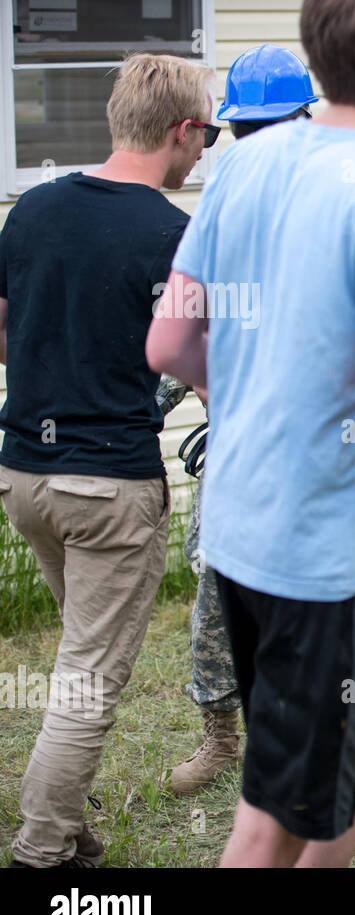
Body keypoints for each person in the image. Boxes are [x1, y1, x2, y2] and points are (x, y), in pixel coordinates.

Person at [146, 0, 355, 867]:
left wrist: (251, 395)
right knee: (267, 821)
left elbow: (166, 342)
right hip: (313, 559)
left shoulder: (246, 164)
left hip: (241, 527)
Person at [1, 53, 215, 868]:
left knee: (75, 657)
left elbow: (4, 331)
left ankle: (70, 826)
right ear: (181, 130)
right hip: (110, 487)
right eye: (209, 135)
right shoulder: (174, 236)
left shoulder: (32, 211)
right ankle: (42, 851)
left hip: (24, 478)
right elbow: (202, 367)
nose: (205, 154)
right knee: (90, 677)